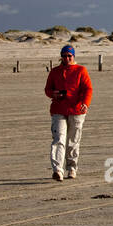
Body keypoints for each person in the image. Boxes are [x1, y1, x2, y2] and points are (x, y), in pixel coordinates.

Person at [45, 45, 93, 180]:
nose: (66, 58)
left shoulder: (81, 70)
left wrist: (85, 103)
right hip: (58, 110)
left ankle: (72, 168)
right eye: (64, 56)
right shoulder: (55, 71)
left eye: (69, 56)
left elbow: (88, 89)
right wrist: (53, 94)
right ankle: (57, 170)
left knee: (73, 141)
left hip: (77, 110)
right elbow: (48, 89)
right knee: (58, 139)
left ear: (73, 57)